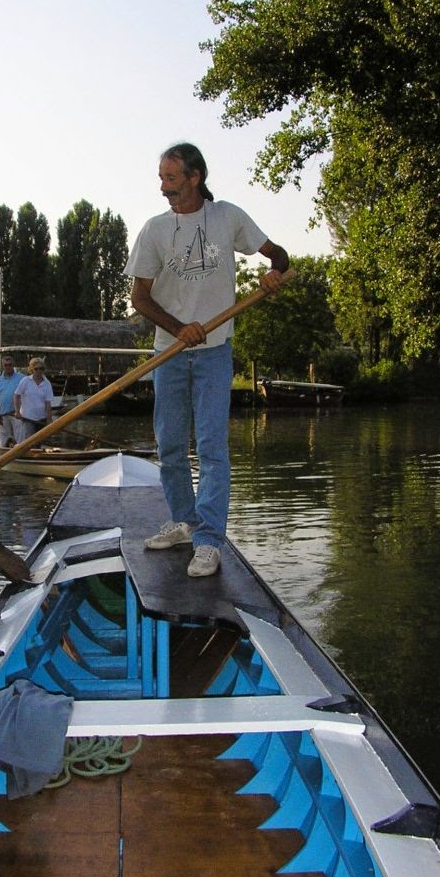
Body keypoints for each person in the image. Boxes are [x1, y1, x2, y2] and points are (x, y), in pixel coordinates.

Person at [124, 142, 289, 578]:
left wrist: (274, 272)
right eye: (161, 178)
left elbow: (279, 254)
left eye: (171, 178)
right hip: (170, 354)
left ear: (195, 176)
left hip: (216, 352)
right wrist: (179, 328)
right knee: (171, 447)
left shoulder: (227, 217)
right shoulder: (154, 230)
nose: (163, 187)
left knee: (213, 448)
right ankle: (184, 521)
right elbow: (139, 297)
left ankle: (209, 540)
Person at [14, 357, 53, 438]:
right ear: (32, 369)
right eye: (36, 369)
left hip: (41, 418)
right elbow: (17, 396)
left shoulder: (47, 383)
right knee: (29, 439)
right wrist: (17, 411)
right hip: (28, 418)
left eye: (41, 369)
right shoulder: (25, 381)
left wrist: (49, 419)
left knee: (39, 440)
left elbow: (48, 403)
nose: (39, 371)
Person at [0, 356, 25, 447]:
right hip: (3, 414)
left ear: (13, 365)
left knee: (20, 437)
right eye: (6, 365)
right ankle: (3, 454)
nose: (8, 367)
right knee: (4, 437)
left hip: (17, 413)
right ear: (3, 366)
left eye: (10, 365)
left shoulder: (22, 378)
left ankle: (20, 454)